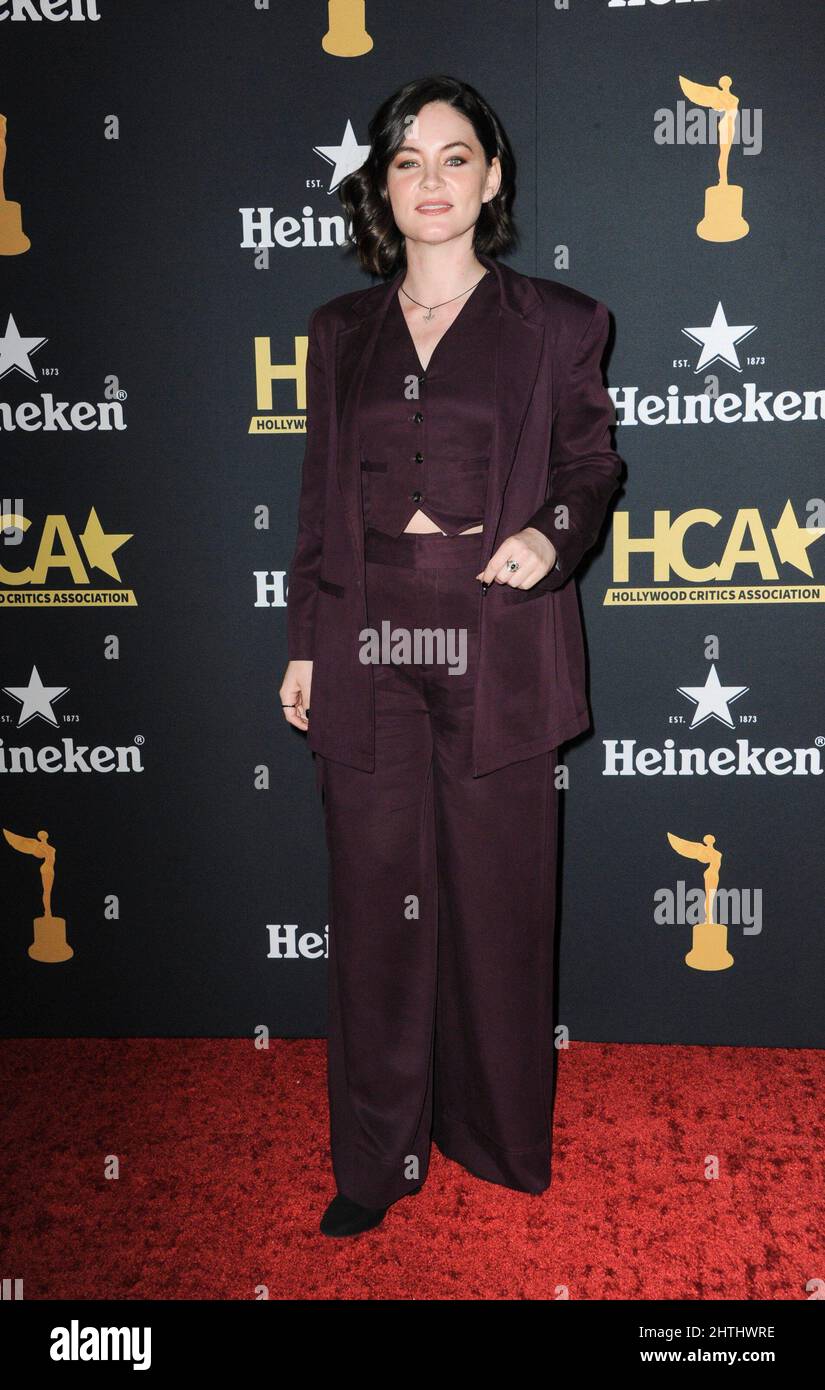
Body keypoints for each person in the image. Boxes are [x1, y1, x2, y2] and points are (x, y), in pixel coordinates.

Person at [279, 75, 623, 1237]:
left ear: (494, 177)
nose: (433, 180)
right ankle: (376, 1159)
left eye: (456, 156)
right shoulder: (339, 332)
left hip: (498, 641)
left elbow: (592, 469)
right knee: (374, 908)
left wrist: (549, 535)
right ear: (383, 188)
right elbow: (320, 501)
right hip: (367, 640)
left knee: (499, 904)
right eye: (409, 161)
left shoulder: (564, 323)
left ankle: (492, 1133)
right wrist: (306, 647)